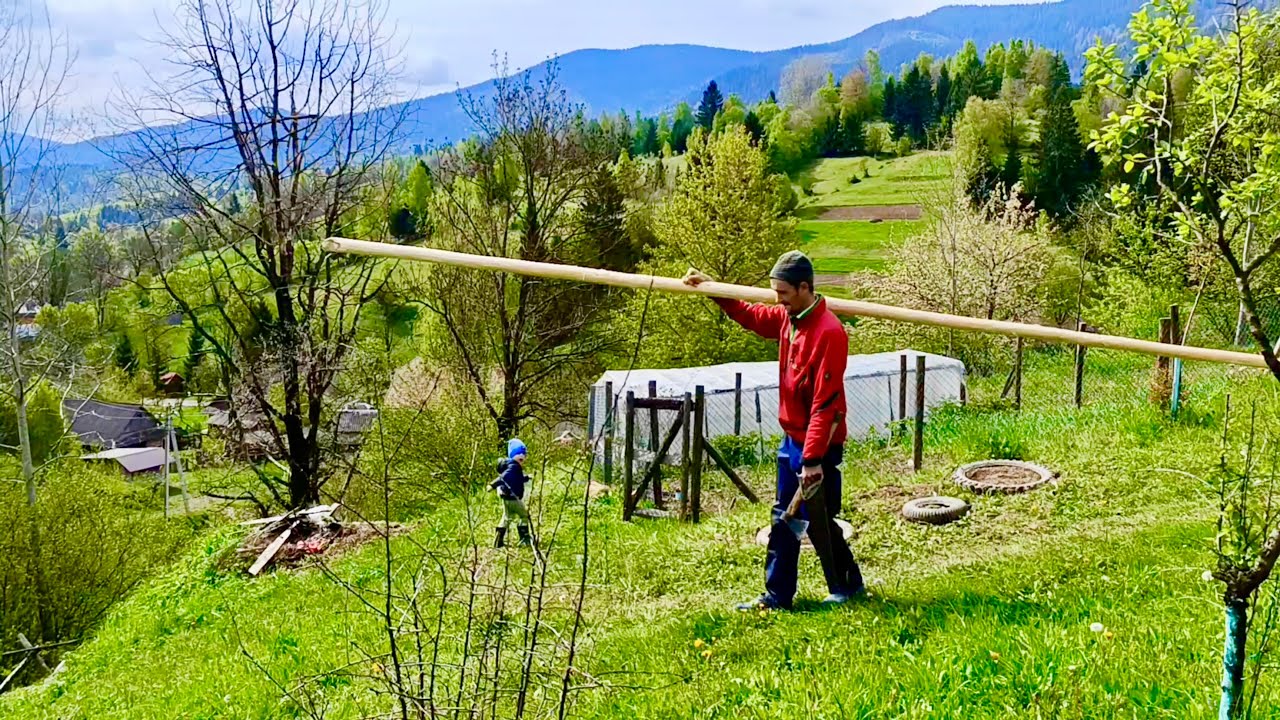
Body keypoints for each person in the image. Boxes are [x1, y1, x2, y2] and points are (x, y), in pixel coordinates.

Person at [683, 251, 864, 610]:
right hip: (791, 438)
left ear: (804, 287)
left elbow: (825, 405)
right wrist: (713, 290)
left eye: (782, 293)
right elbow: (750, 316)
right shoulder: (789, 318)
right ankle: (778, 596)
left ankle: (845, 587)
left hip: (818, 443)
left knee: (819, 522)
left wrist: (812, 459)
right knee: (785, 517)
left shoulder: (829, 333)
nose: (776, 300)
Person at [492, 438, 533, 548]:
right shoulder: (514, 466)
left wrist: (525, 478)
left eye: (523, 454)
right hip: (513, 497)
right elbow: (504, 477)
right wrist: (492, 485)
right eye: (518, 453)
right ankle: (524, 539)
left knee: (506, 518)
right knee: (524, 516)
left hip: (506, 497)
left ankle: (498, 541)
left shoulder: (511, 465)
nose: (522, 456)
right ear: (512, 454)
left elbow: (515, 479)